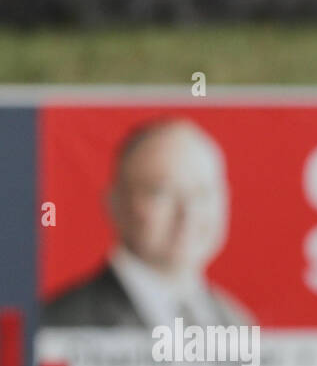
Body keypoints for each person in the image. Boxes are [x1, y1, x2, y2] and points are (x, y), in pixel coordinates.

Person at [43, 118, 252, 329]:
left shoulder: (236, 322)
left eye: (203, 193)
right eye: (162, 192)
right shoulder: (59, 325)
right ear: (116, 206)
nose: (188, 213)